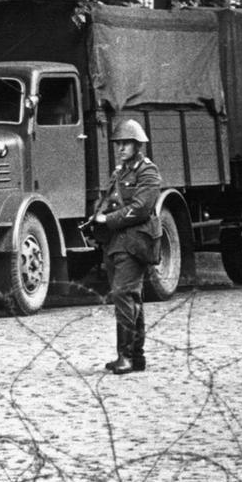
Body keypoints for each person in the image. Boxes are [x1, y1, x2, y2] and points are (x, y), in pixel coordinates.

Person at [91, 118, 161, 375]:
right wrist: (95, 218)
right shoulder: (119, 172)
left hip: (136, 242)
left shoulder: (147, 172)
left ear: (137, 145)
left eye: (126, 143)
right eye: (118, 143)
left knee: (123, 293)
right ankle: (136, 356)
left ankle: (127, 356)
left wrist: (108, 219)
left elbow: (141, 208)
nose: (120, 148)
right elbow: (108, 201)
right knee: (130, 296)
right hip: (117, 242)